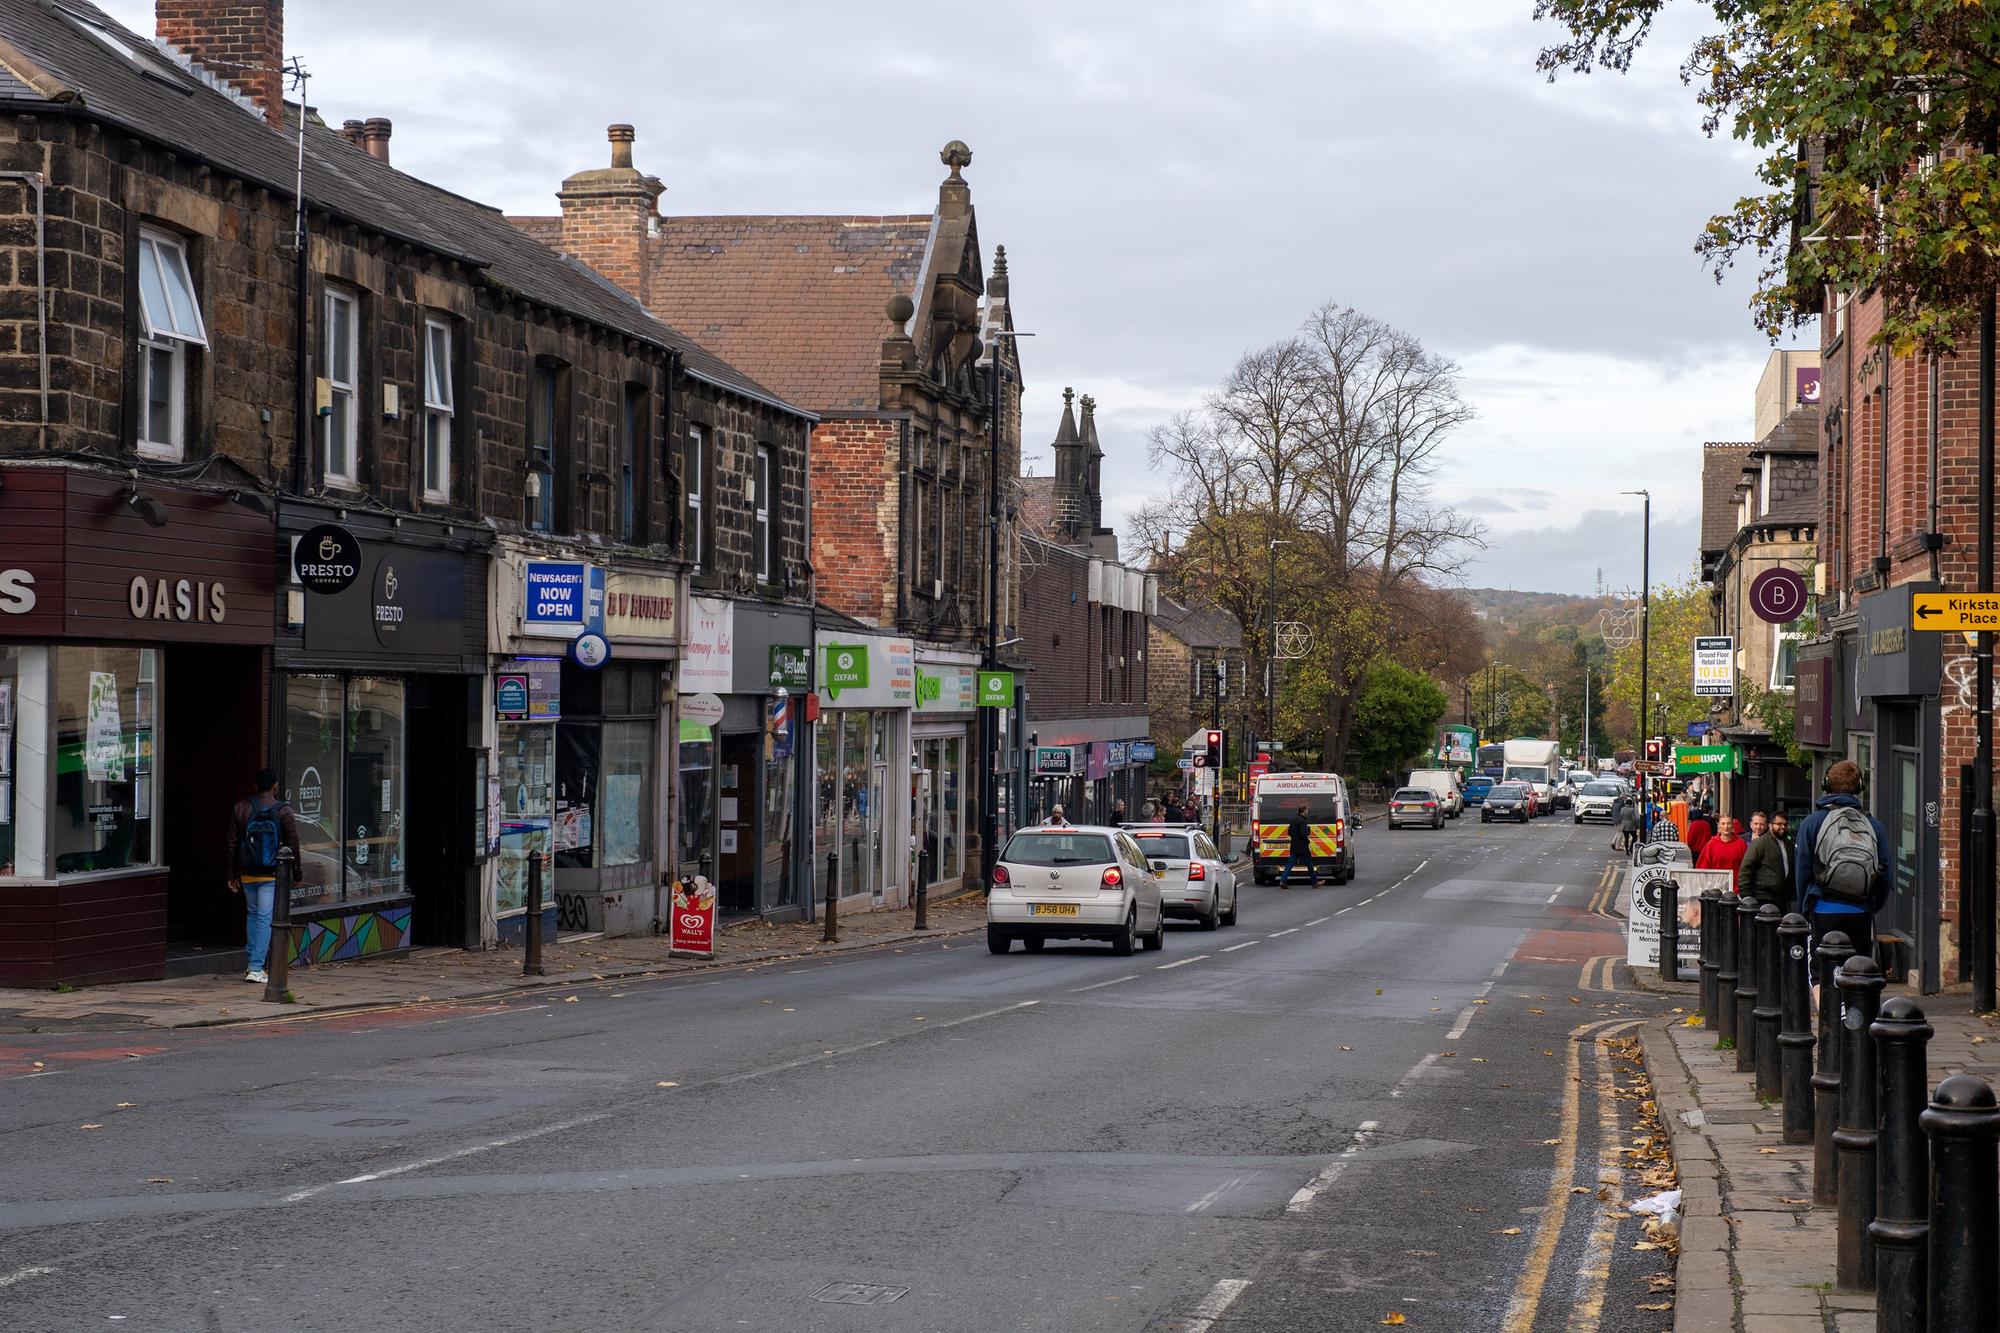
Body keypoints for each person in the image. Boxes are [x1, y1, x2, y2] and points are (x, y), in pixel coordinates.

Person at [1795, 760, 1890, 952]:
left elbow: (1802, 871)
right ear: (1860, 787)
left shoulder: (1812, 823)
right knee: (1858, 971)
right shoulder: (1874, 825)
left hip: (1823, 908)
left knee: (1822, 972)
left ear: (1826, 785)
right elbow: (1885, 875)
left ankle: (1819, 984)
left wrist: (1805, 908)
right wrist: (1870, 905)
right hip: (1860, 911)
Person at [226, 767, 301, 986]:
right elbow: (293, 844)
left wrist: (231, 874)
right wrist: (297, 873)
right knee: (265, 918)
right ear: (275, 787)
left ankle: (253, 963)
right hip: (270, 873)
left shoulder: (240, 808)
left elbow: (231, 844)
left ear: (256, 786)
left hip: (248, 872)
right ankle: (257, 967)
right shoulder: (283, 810)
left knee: (253, 914)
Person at [1738, 811, 1794, 911]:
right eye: (1779, 824)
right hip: (1763, 898)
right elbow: (1746, 869)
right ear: (1770, 825)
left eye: (1785, 824)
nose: (1783, 827)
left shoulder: (1789, 844)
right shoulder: (1760, 843)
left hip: (1782, 898)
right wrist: (1747, 897)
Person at [1695, 815, 1749, 890]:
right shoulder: (1711, 844)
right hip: (1715, 890)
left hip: (1736, 890)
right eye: (1723, 824)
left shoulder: (1741, 844)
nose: (1726, 826)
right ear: (1719, 826)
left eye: (1728, 823)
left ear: (1732, 826)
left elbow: (1747, 867)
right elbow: (1702, 868)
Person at [1279, 807, 1315, 888]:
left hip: (1294, 846)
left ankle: (1283, 880)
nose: (1307, 811)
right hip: (1303, 847)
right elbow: (1303, 834)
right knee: (1309, 865)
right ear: (1304, 811)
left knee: (1289, 865)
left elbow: (1289, 832)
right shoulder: (1303, 821)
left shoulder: (1293, 820)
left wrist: (1295, 838)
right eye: (1307, 810)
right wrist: (1307, 841)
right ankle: (1315, 882)